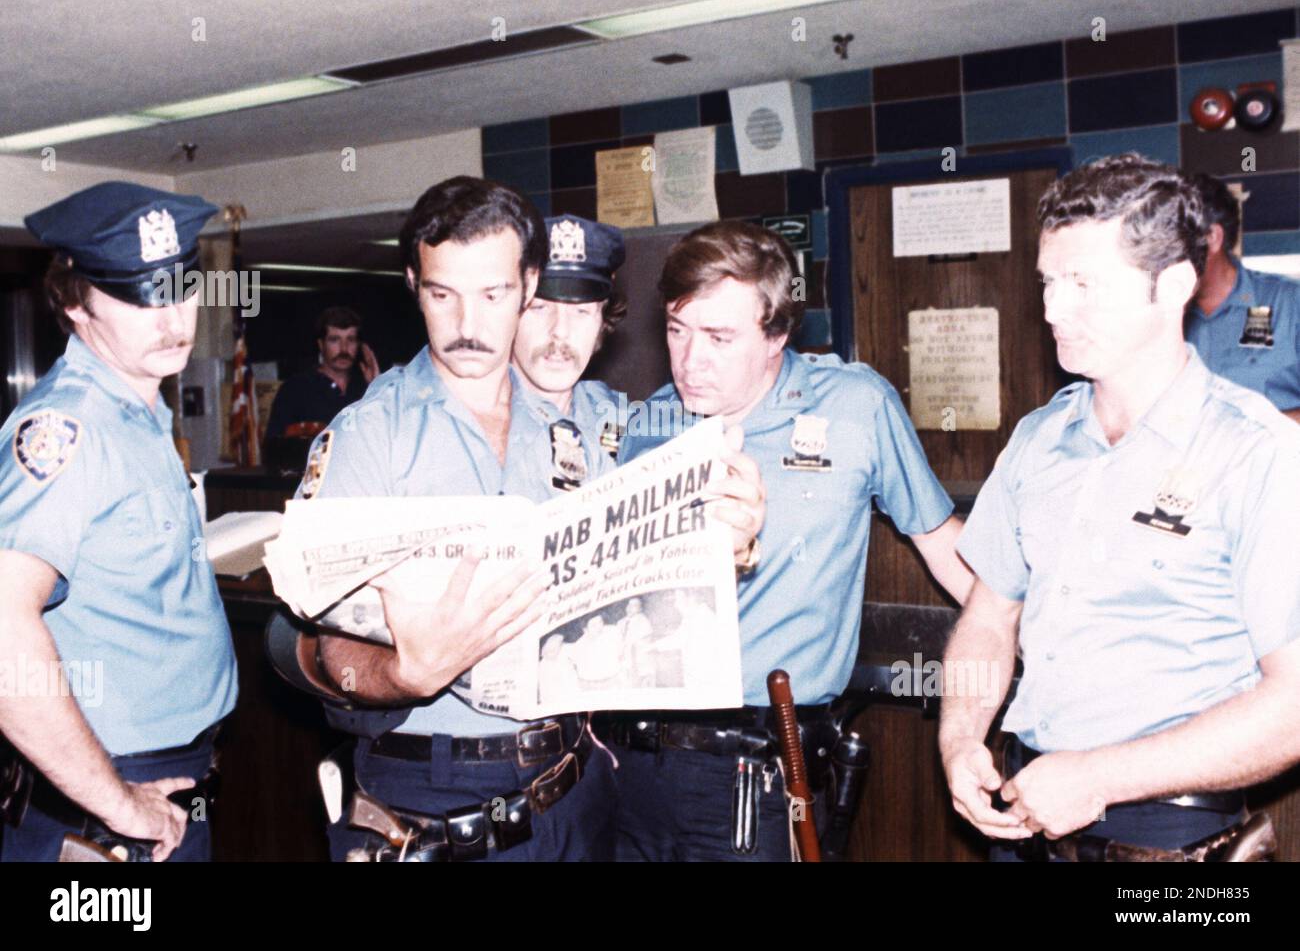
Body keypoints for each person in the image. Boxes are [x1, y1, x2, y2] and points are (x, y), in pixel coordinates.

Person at [278, 178, 764, 862]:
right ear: (413, 285)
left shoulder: (581, 425)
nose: (468, 326)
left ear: (525, 285)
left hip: (573, 788)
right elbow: (322, 643)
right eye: (442, 295)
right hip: (431, 791)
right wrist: (404, 674)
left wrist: (731, 539)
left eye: (494, 296)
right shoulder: (372, 435)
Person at [941, 154, 1300, 860]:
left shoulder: (1257, 452)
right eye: (1048, 282)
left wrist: (1099, 777)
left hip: (1169, 836)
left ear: (1172, 285)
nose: (1052, 310)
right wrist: (960, 741)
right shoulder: (1038, 440)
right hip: (1026, 816)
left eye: (1083, 284)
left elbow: (1292, 709)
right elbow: (988, 618)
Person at [607, 220, 973, 861]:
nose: (690, 361)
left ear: (777, 334)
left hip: (763, 769)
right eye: (676, 330)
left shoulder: (855, 407)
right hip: (631, 765)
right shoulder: (646, 427)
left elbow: (948, 550)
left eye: (720, 337)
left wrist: (1044, 645)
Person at [0, 182, 238, 862]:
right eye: (138, 296)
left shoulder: (136, 417)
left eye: (181, 288)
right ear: (74, 302)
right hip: (102, 816)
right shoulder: (69, 427)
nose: (170, 319)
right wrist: (112, 799)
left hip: (160, 800)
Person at [510, 213, 628, 470]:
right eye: (539, 307)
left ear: (602, 320)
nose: (560, 330)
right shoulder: (474, 428)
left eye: (581, 311)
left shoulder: (621, 419)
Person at [1184, 173, 1300, 424]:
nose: (1161, 256)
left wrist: (1253, 434)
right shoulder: (1159, 315)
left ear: (1212, 238)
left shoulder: (1289, 303)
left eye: (1172, 241)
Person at [263, 305, 379, 440]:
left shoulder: (366, 387)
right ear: (321, 344)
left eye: (350, 340)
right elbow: (274, 446)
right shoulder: (295, 389)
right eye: (334, 340)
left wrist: (376, 387)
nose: (344, 349)